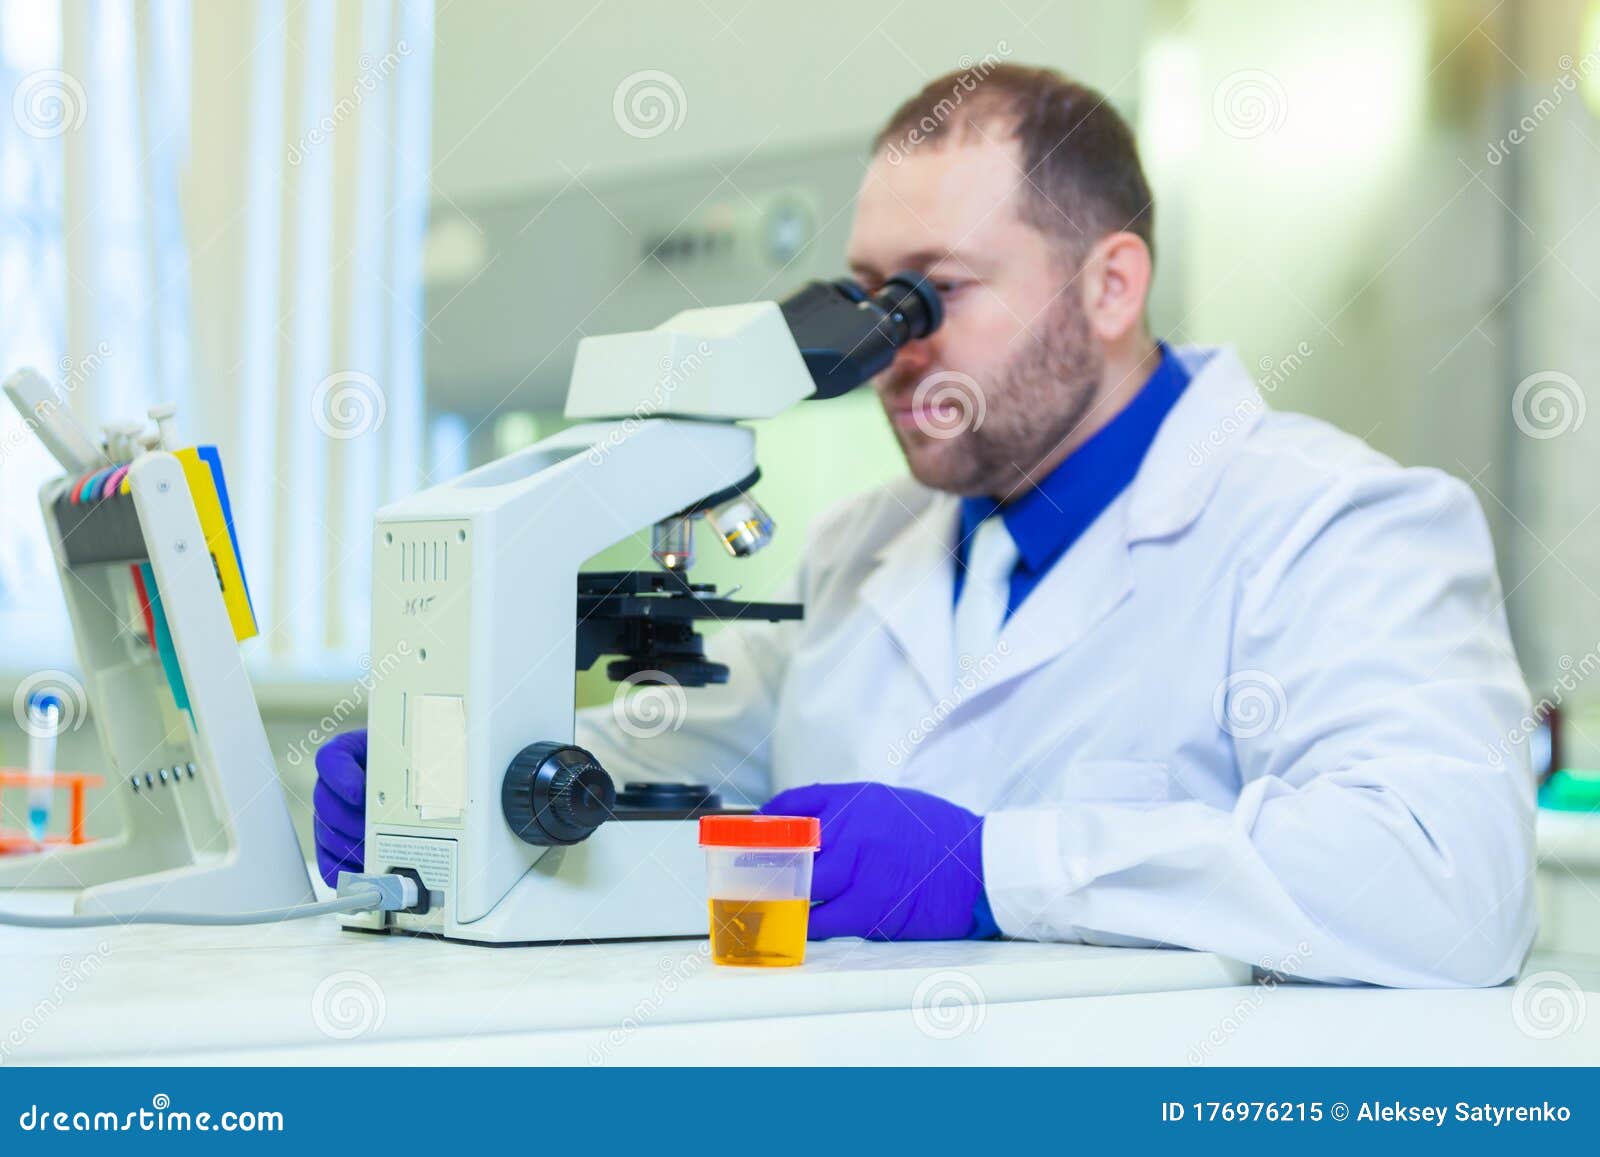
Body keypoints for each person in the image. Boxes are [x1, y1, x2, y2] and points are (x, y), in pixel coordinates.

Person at [313, 64, 1535, 987]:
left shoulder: (1338, 522)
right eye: (864, 295)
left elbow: (1446, 878)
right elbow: (686, 774)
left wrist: (993, 866)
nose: (883, 350)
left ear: (1110, 285)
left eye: (929, 295)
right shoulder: (864, 542)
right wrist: (461, 794)